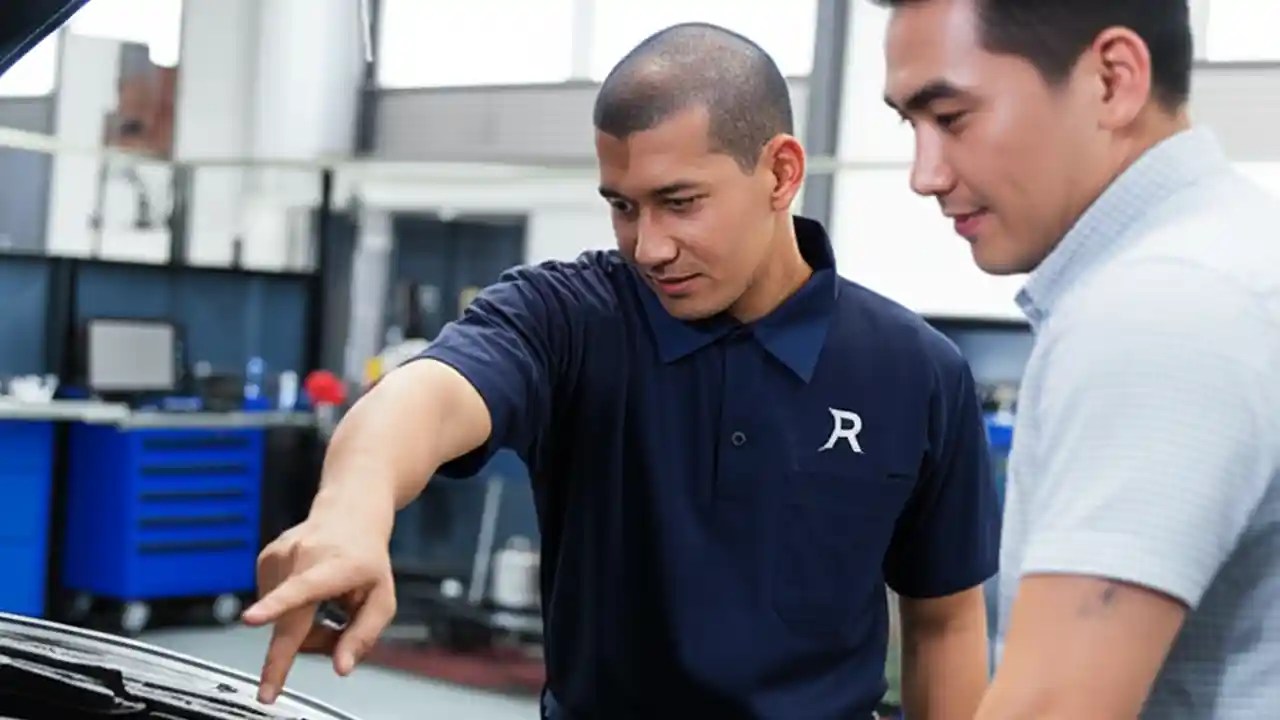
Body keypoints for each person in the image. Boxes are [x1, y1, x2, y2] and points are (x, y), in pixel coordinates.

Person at [244, 22, 1001, 719]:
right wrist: (350, 512)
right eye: (624, 207)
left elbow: (944, 620)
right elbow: (428, 396)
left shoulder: (917, 374)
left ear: (780, 173)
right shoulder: (567, 318)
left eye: (680, 202)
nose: (649, 247)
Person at [878, 0, 1280, 717]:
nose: (925, 174)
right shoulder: (1236, 254)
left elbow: (1054, 707)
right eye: (911, 127)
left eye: (952, 118)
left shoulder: (1161, 307)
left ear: (1112, 81)